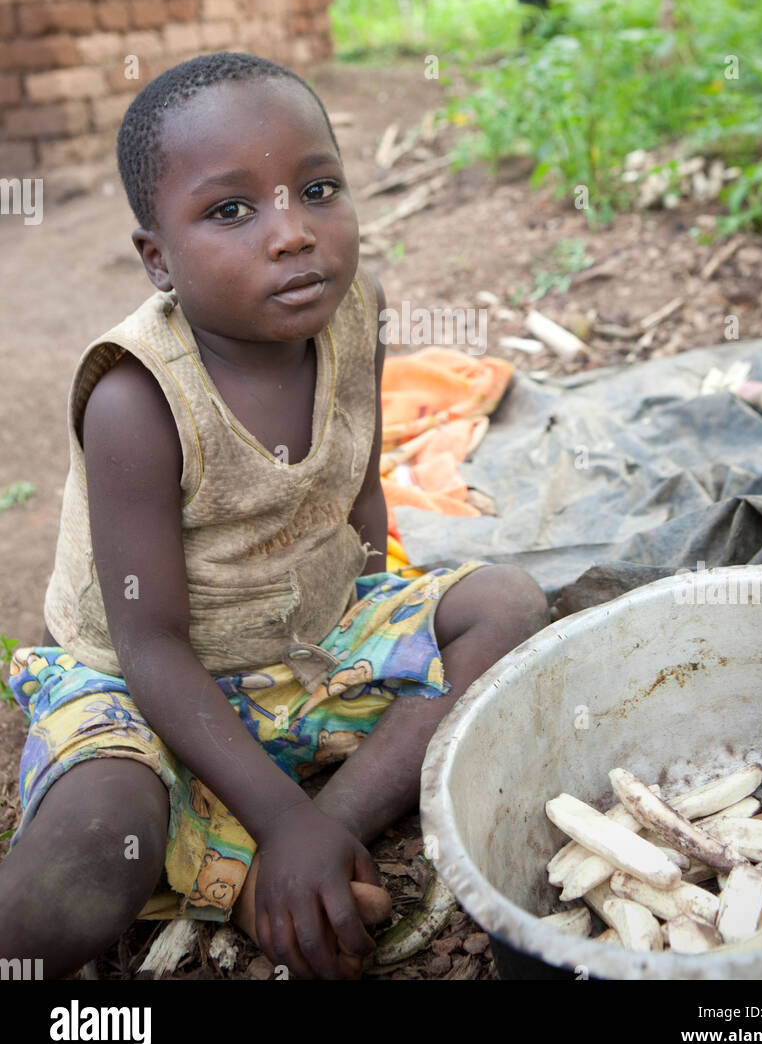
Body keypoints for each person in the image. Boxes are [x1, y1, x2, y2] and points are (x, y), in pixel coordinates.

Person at [0, 51, 549, 981]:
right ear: (157, 259)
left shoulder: (353, 314)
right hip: (148, 681)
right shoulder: (138, 400)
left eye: (318, 187)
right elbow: (151, 645)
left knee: (507, 607)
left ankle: (312, 838)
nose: (293, 233)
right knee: (100, 833)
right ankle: (264, 839)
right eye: (231, 210)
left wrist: (376, 625)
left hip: (310, 647)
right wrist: (279, 811)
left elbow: (357, 490)